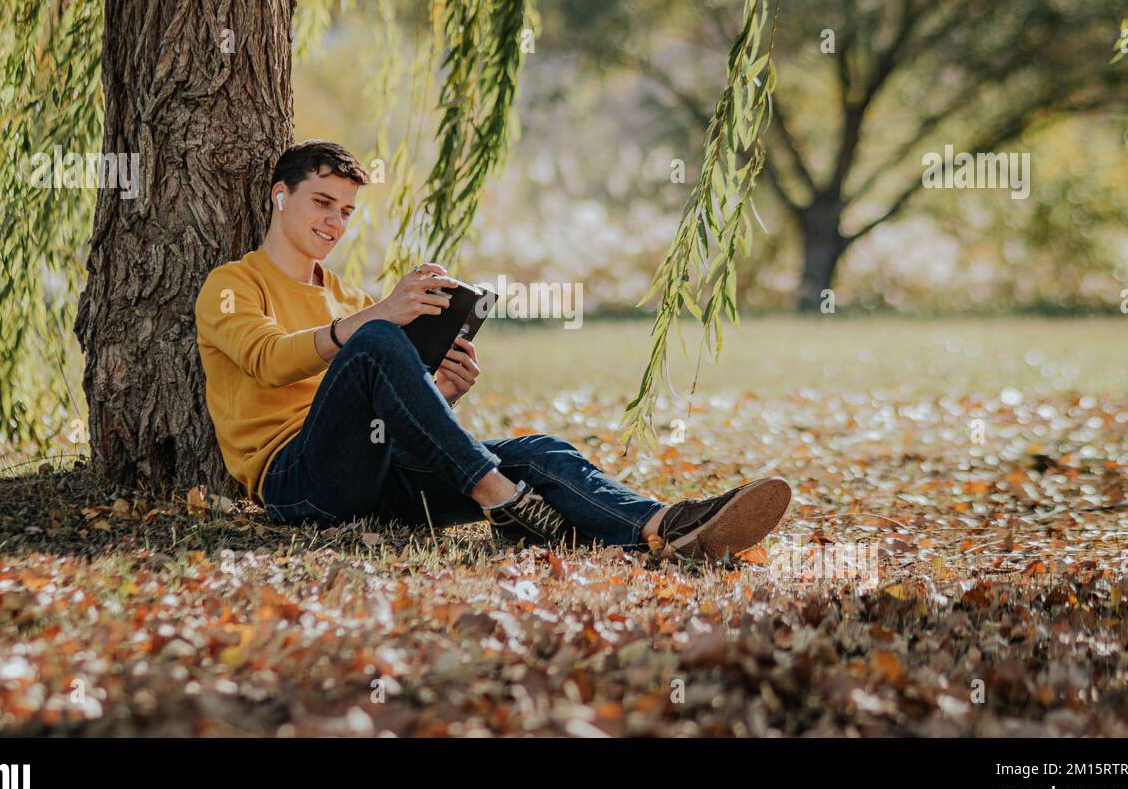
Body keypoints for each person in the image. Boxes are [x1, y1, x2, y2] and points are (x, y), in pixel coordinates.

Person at [193, 139, 792, 561]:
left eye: (347, 211)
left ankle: (669, 527)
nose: (336, 222)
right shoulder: (232, 285)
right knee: (379, 340)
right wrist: (380, 318)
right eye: (323, 203)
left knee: (538, 452)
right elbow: (269, 361)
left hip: (376, 476)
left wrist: (438, 391)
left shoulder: (347, 296)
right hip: (300, 481)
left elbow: (381, 408)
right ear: (279, 196)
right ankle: (497, 495)